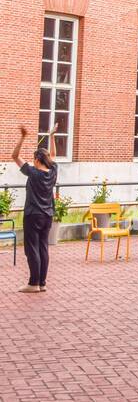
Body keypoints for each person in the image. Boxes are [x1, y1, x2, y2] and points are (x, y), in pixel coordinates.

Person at [11, 122, 58, 293]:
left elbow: (15, 156)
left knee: (32, 249)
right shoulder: (53, 171)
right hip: (47, 215)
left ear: (37, 160)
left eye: (33, 159)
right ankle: (42, 283)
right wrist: (51, 135)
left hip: (33, 215)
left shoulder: (33, 172)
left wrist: (22, 137)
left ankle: (33, 284)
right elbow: (52, 155)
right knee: (43, 247)